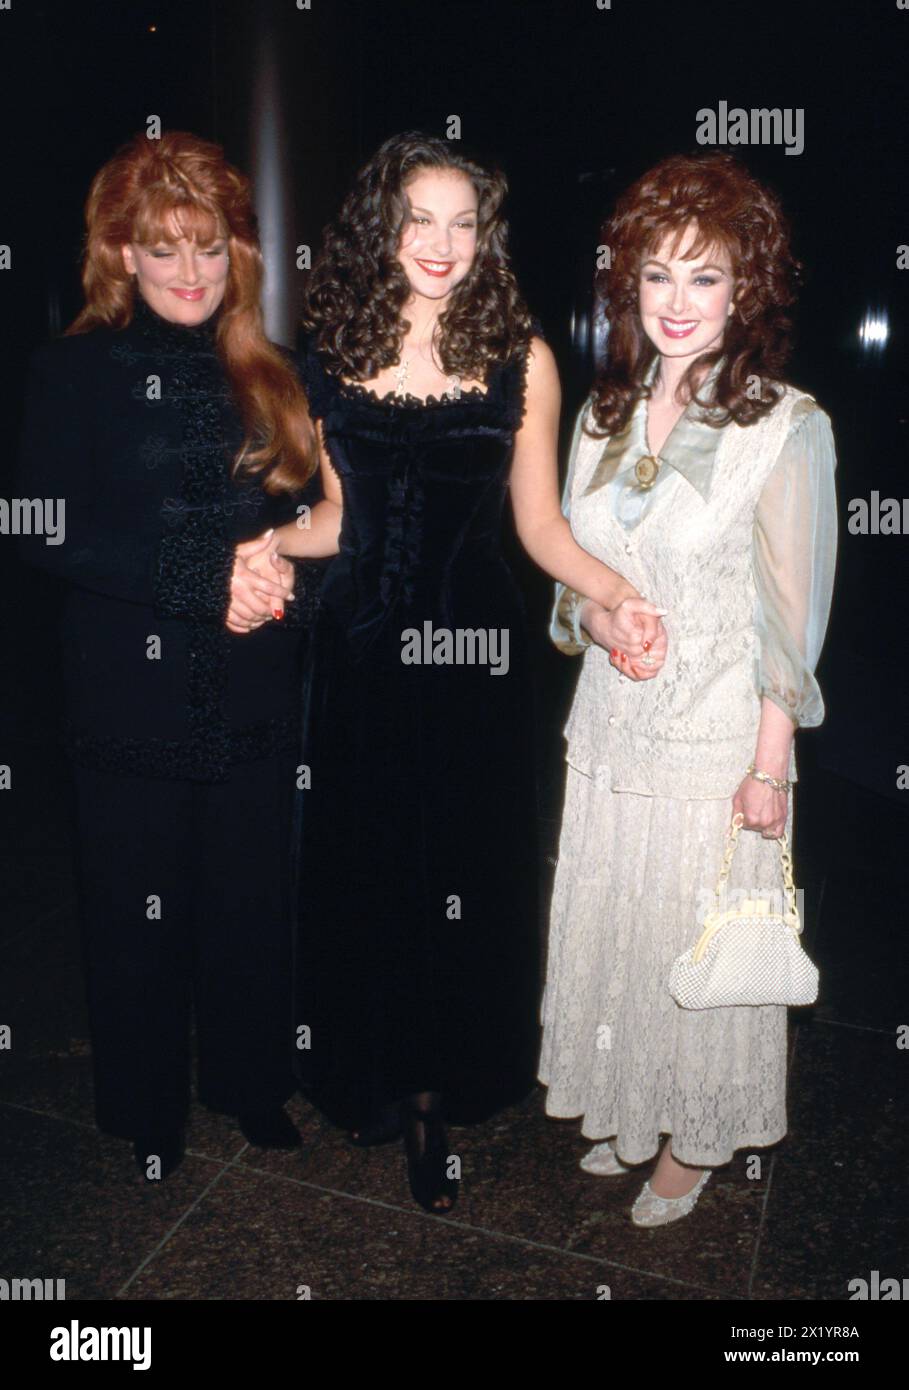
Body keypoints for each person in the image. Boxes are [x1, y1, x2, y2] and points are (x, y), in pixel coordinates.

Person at [233, 131, 663, 1213]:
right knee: (368, 869)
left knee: (461, 876)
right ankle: (370, 1073)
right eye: (420, 218)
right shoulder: (326, 352)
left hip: (475, 657)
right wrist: (262, 544)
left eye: (464, 222)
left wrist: (616, 593)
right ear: (383, 226)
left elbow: (543, 526)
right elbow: (337, 518)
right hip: (363, 653)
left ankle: (437, 1095)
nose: (442, 242)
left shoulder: (522, 353)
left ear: (487, 238)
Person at [538, 152, 838, 1226]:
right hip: (614, 730)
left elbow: (792, 627)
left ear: (746, 288)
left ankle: (699, 1137)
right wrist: (602, 616)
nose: (676, 302)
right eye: (656, 275)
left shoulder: (786, 426)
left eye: (704, 277)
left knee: (699, 943)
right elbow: (570, 581)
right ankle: (632, 1102)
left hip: (720, 746)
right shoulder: (604, 411)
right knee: (622, 934)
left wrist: (770, 767)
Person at [17, 130, 324, 1179]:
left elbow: (317, 517)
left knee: (248, 896)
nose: (189, 273)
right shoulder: (73, 368)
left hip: (252, 678)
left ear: (237, 251)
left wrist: (282, 569)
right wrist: (203, 575)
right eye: (164, 250)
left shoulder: (278, 368)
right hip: (126, 684)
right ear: (121, 256)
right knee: (133, 902)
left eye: (209, 247)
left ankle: (249, 1082)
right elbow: (40, 521)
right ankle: (147, 1106)